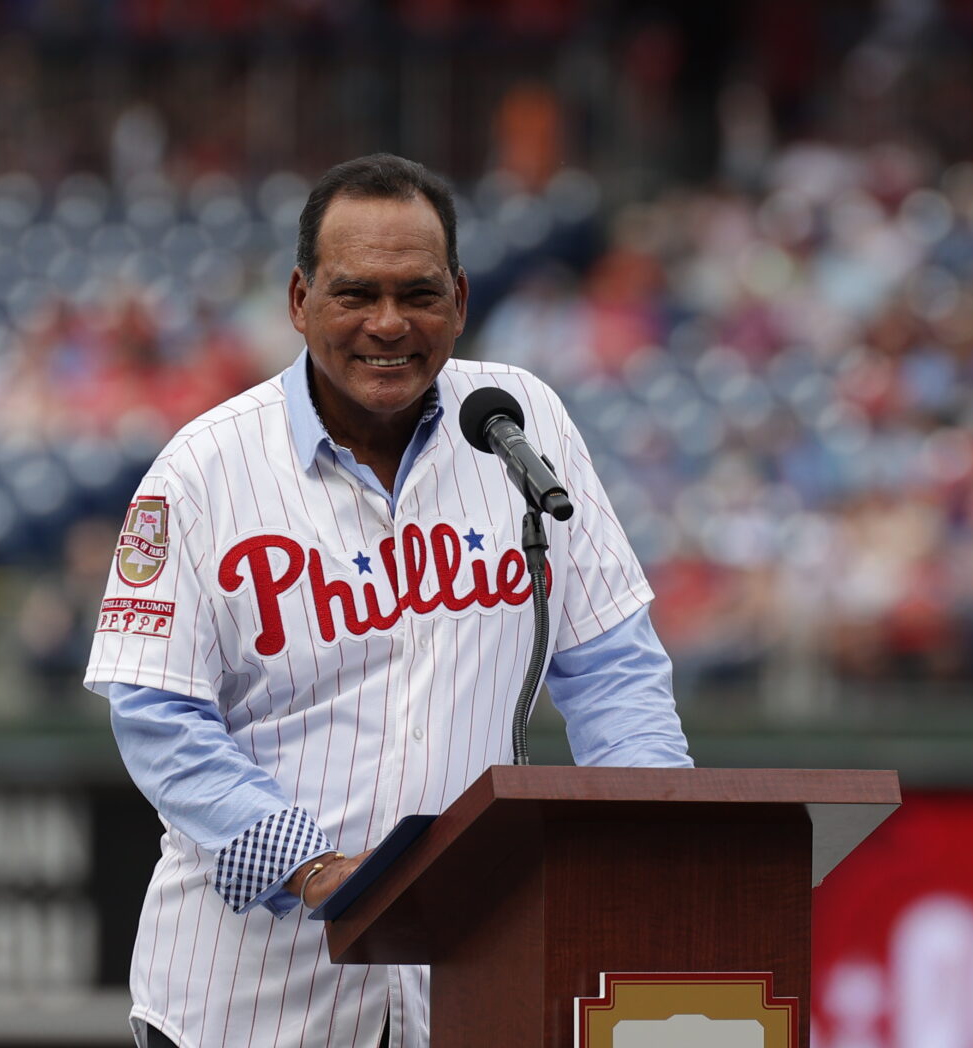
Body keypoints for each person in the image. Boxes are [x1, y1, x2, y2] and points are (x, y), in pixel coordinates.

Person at [85, 153, 692, 1048]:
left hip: (464, 989)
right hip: (249, 1001)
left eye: (418, 294)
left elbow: (613, 672)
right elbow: (157, 716)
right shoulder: (203, 469)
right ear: (300, 301)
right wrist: (309, 866)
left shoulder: (520, 423)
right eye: (355, 294)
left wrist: (663, 842)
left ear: (461, 298)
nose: (388, 323)